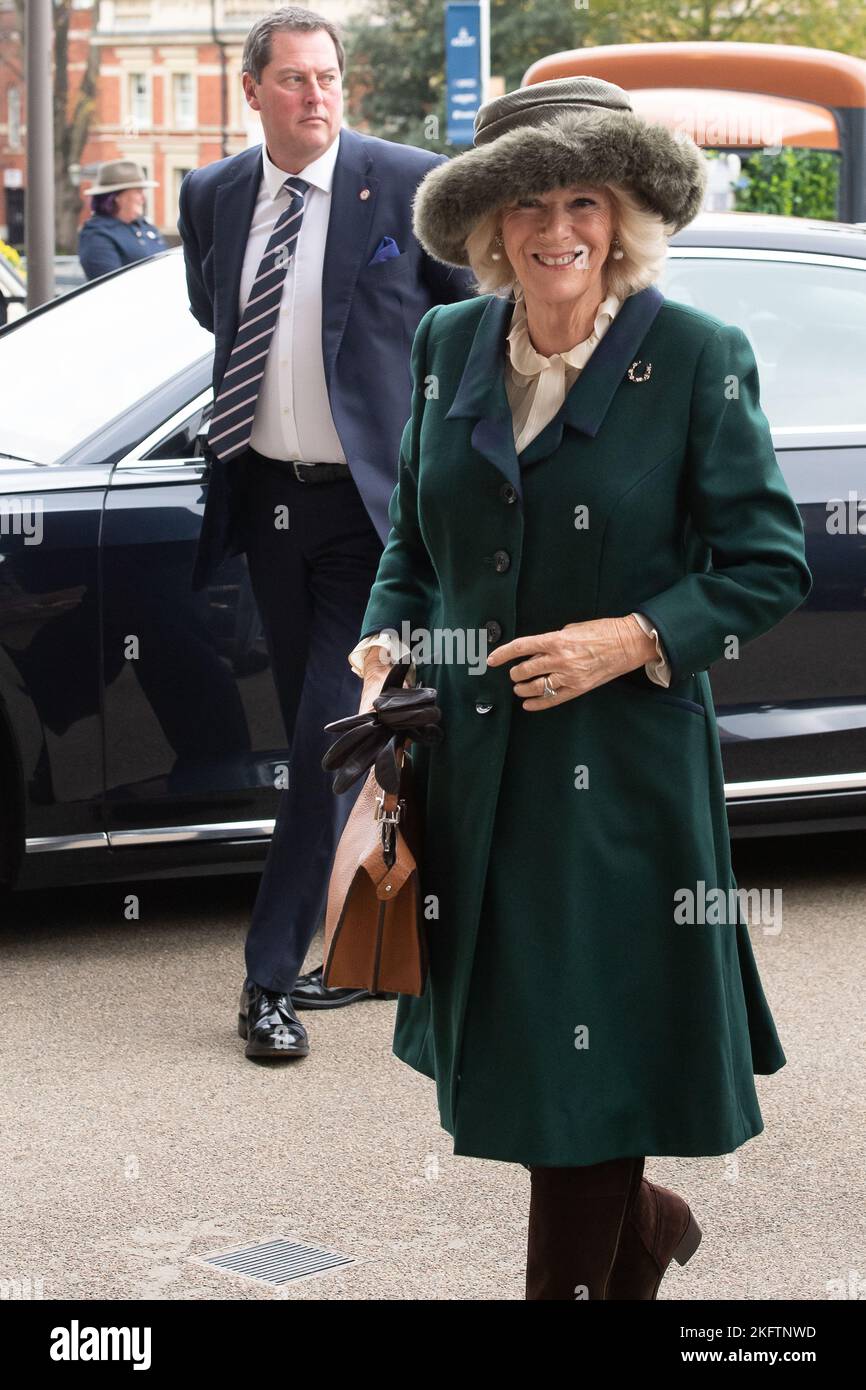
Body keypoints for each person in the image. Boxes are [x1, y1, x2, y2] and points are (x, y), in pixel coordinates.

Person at [350, 76, 812, 1299]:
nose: (555, 227)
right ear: (488, 227)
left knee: (588, 1065)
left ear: (620, 218)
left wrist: (628, 637)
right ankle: (647, 1223)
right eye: (524, 204)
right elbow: (410, 533)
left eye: (582, 200)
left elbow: (766, 566)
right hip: (472, 768)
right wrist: (385, 641)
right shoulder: (451, 340)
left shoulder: (697, 355)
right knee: (536, 1057)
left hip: (622, 782)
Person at [176, 6, 476, 1061]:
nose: (316, 95)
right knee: (359, 734)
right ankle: (390, 931)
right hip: (264, 504)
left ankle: (267, 982)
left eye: (328, 77)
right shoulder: (210, 195)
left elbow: (471, 319)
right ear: (252, 90)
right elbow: (219, 321)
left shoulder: (403, 183)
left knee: (320, 737)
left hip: (371, 518)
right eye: (294, 80)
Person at [78, 160, 167, 279]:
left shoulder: (147, 228)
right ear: (117, 197)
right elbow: (109, 284)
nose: (143, 198)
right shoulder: (98, 233)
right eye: (138, 191)